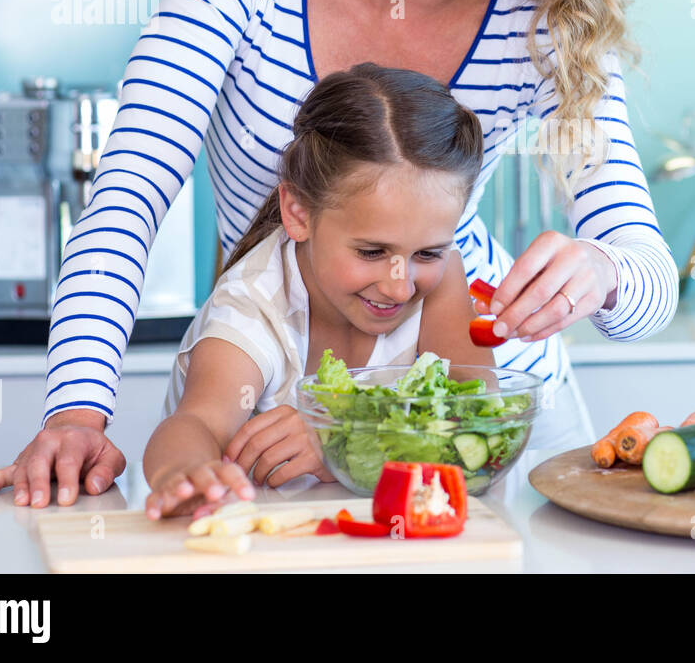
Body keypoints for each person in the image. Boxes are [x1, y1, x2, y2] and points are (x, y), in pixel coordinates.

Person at [0, 0, 678, 508]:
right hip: (283, 399)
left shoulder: (545, 13)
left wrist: (604, 272)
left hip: (481, 417)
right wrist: (77, 410)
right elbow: (127, 199)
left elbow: (647, 276)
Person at [142, 63, 495, 519]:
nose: (400, 284)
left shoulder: (442, 280)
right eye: (371, 252)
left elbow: (482, 418)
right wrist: (186, 475)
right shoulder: (254, 303)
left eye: (427, 253)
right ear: (299, 213)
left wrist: (347, 439)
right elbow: (195, 423)